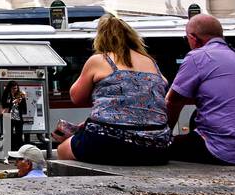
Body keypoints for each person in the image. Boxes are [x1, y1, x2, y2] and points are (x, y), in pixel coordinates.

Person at [56, 14, 171, 165]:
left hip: (110, 142)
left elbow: (76, 96)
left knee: (62, 149)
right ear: (132, 37)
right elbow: (162, 85)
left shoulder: (99, 60)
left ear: (100, 38)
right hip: (158, 147)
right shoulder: (150, 61)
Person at [166, 14, 235, 165]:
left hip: (224, 151)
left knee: (166, 147)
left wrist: (164, 135)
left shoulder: (197, 57)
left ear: (193, 38)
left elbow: (173, 100)